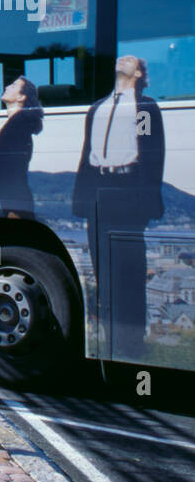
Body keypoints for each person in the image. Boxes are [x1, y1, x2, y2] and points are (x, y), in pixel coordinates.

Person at [71, 55, 165, 354]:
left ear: (138, 72)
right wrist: (81, 199)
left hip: (128, 190)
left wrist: (147, 199)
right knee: (104, 272)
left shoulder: (143, 107)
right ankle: (111, 342)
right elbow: (87, 154)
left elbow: (152, 153)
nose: (121, 58)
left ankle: (132, 345)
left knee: (130, 271)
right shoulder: (98, 107)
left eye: (131, 60)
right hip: (99, 190)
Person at [0, 76, 44, 218]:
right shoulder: (18, 124)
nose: (7, 87)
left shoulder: (18, 126)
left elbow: (14, 170)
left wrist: (13, 208)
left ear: (21, 97)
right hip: (13, 198)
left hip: (14, 200)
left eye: (13, 86)